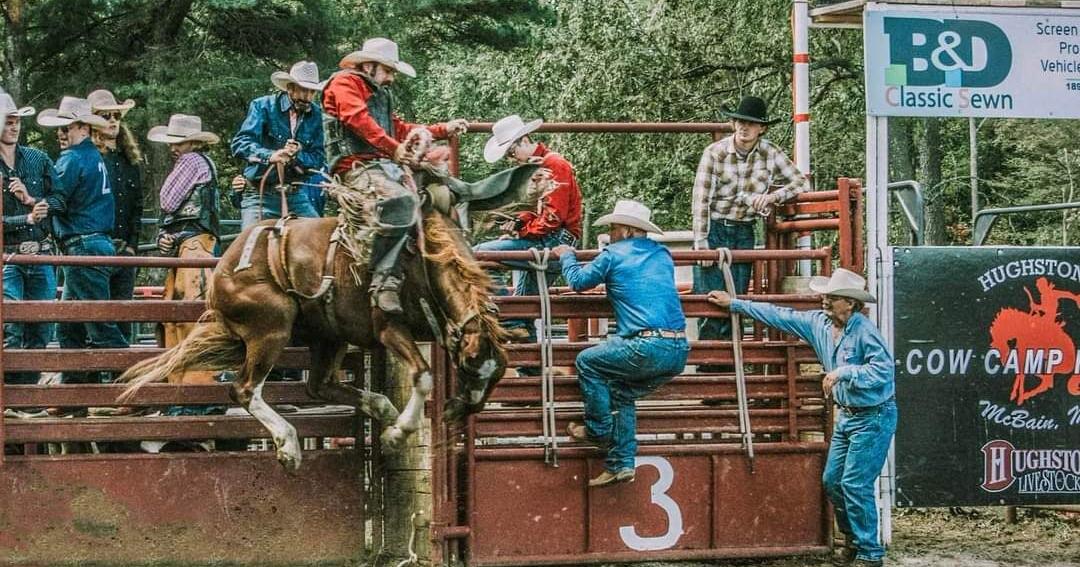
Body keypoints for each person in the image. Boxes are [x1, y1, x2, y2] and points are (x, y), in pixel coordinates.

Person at [707, 268, 896, 567]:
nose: (826, 301)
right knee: (834, 480)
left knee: (854, 483)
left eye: (833, 298)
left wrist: (843, 372)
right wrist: (735, 304)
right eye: (827, 296)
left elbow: (884, 371)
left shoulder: (864, 332)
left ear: (850, 303)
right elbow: (779, 315)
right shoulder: (819, 324)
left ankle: (870, 553)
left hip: (873, 415)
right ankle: (855, 541)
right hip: (852, 415)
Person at [322, 37, 467, 314]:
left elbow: (397, 127)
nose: (391, 78)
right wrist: (394, 149)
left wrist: (440, 129)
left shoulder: (380, 93)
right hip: (354, 167)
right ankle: (383, 279)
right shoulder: (344, 83)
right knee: (401, 201)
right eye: (388, 70)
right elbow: (358, 120)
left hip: (379, 165)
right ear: (368, 65)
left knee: (444, 191)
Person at [555, 200, 689, 487]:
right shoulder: (663, 254)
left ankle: (598, 430)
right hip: (678, 349)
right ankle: (621, 463)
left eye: (614, 228)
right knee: (622, 393)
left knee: (587, 361)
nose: (611, 233)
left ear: (627, 230)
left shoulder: (612, 255)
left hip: (646, 346)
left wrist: (567, 255)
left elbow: (578, 281)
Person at [692, 96, 810, 362]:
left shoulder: (770, 152)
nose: (744, 128)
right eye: (740, 122)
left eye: (750, 124)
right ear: (733, 124)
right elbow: (701, 198)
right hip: (715, 228)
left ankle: (729, 365)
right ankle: (711, 365)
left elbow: (801, 183)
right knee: (710, 298)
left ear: (762, 128)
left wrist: (772, 197)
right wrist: (701, 240)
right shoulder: (716, 152)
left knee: (738, 297)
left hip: (744, 229)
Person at [37, 96, 128, 385]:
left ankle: (138, 385)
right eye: (61, 128)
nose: (62, 133)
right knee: (71, 323)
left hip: (81, 245)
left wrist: (31, 200)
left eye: (67, 127)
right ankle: (76, 390)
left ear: (83, 128)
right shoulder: (93, 157)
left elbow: (57, 199)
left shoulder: (72, 159)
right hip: (92, 243)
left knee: (98, 323)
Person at [474, 114, 582, 345]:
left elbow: (553, 218)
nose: (513, 160)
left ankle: (508, 317)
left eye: (512, 153)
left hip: (553, 241)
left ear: (524, 140)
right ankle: (532, 373)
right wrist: (521, 222)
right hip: (551, 240)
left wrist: (522, 231)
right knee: (524, 309)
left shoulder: (554, 165)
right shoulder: (541, 166)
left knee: (478, 254)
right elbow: (543, 211)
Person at [149, 114, 222, 386]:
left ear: (192, 142)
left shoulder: (191, 161)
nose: (173, 147)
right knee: (182, 312)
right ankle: (189, 383)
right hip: (193, 243)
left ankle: (192, 385)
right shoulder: (201, 162)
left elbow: (168, 200)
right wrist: (168, 235)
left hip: (193, 247)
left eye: (178, 142)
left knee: (187, 314)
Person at [0, 93, 59, 386]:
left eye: (17, 122)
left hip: (40, 253)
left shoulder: (38, 159)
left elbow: (60, 198)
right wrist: (27, 217)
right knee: (11, 325)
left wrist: (37, 202)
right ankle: (11, 393)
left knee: (41, 325)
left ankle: (30, 392)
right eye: (8, 122)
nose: (14, 127)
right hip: (8, 256)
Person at [230, 60, 327, 227]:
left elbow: (318, 157)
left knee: (322, 241)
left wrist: (297, 156)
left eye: (312, 92)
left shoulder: (317, 115)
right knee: (250, 247)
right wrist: (270, 155)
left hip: (295, 196)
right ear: (290, 87)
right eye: (304, 90)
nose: (308, 97)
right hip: (260, 195)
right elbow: (240, 143)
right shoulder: (263, 106)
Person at [87, 89, 143, 342]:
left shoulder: (130, 160)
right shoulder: (89, 158)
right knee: (95, 315)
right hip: (99, 247)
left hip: (124, 250)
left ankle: (122, 375)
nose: (113, 121)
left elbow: (137, 207)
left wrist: (132, 246)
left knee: (123, 313)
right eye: (106, 116)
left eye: (116, 116)